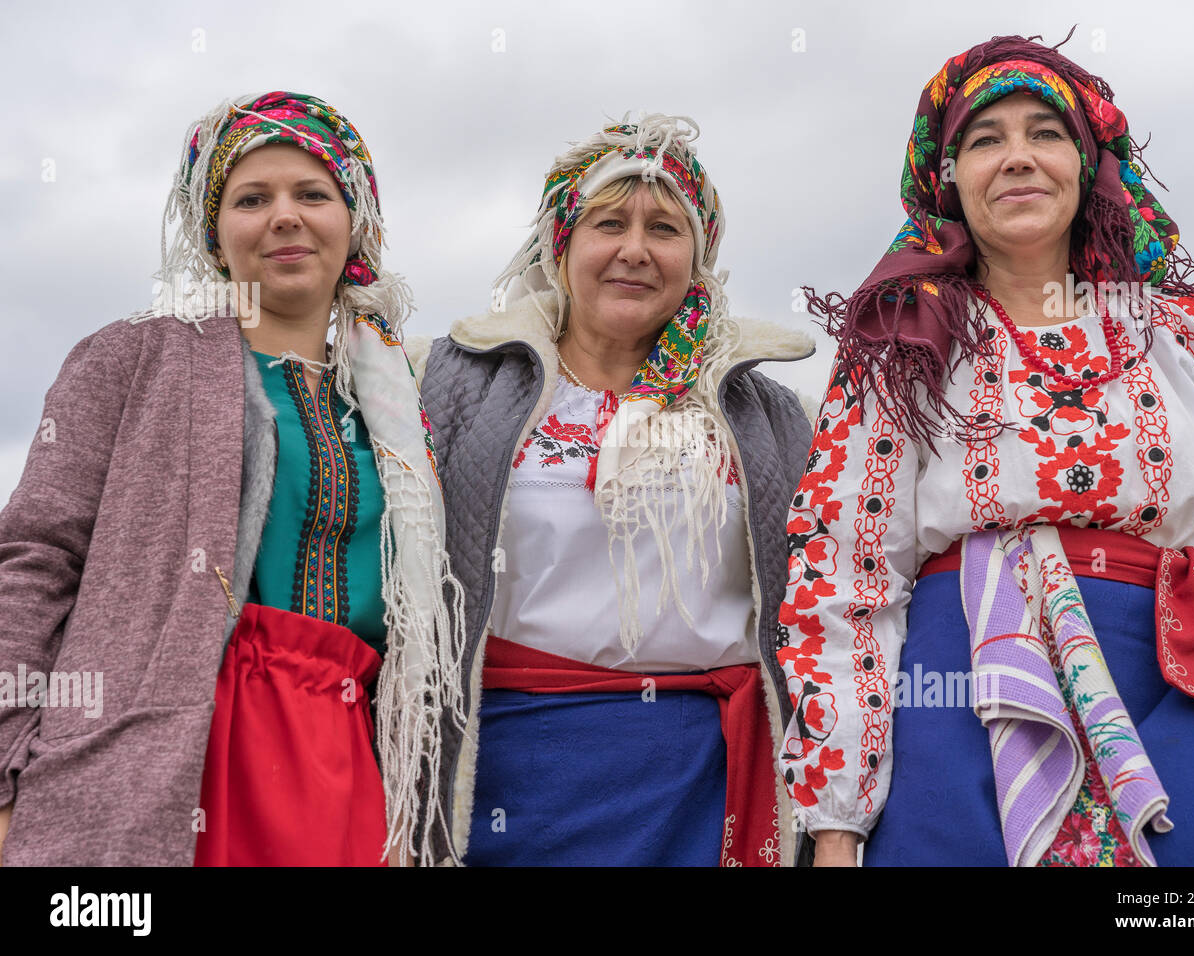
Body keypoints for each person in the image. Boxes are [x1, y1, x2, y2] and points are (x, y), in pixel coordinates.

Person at [782, 33, 1194, 867]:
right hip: (961, 710)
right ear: (948, 180)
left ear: (1087, 166)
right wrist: (836, 823)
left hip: (1181, 692)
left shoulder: (1181, 340)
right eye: (984, 141)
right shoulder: (901, 352)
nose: (1017, 158)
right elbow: (845, 582)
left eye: (1044, 133)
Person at [0, 91, 462, 866]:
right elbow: (33, 559)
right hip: (166, 746)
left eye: (312, 194)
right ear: (214, 231)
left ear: (356, 219)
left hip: (347, 752)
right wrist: (7, 766)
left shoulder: (403, 399)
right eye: (252, 199)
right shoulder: (132, 358)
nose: (284, 216)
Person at [411, 115, 814, 865]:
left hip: (698, 779)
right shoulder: (456, 381)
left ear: (698, 257)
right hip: (511, 766)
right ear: (560, 245)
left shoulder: (761, 411)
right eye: (608, 224)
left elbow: (814, 605)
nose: (634, 249)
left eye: (664, 227)